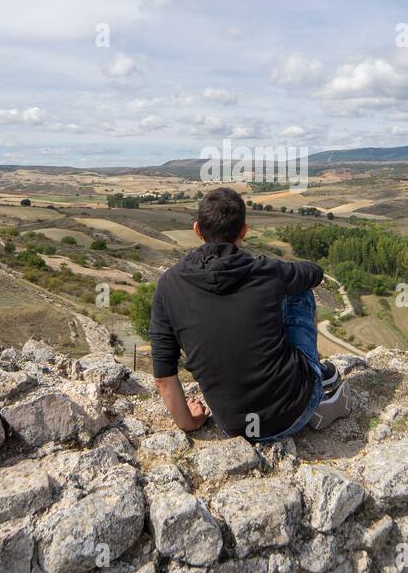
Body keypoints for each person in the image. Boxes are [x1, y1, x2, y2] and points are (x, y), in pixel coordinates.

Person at [148, 186, 350, 440]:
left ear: (197, 229)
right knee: (300, 292)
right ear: (244, 230)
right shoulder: (266, 272)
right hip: (293, 414)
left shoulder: (169, 285)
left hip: (231, 426)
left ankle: (308, 383)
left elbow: (164, 378)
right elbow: (315, 274)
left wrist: (188, 423)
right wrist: (284, 271)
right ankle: (315, 379)